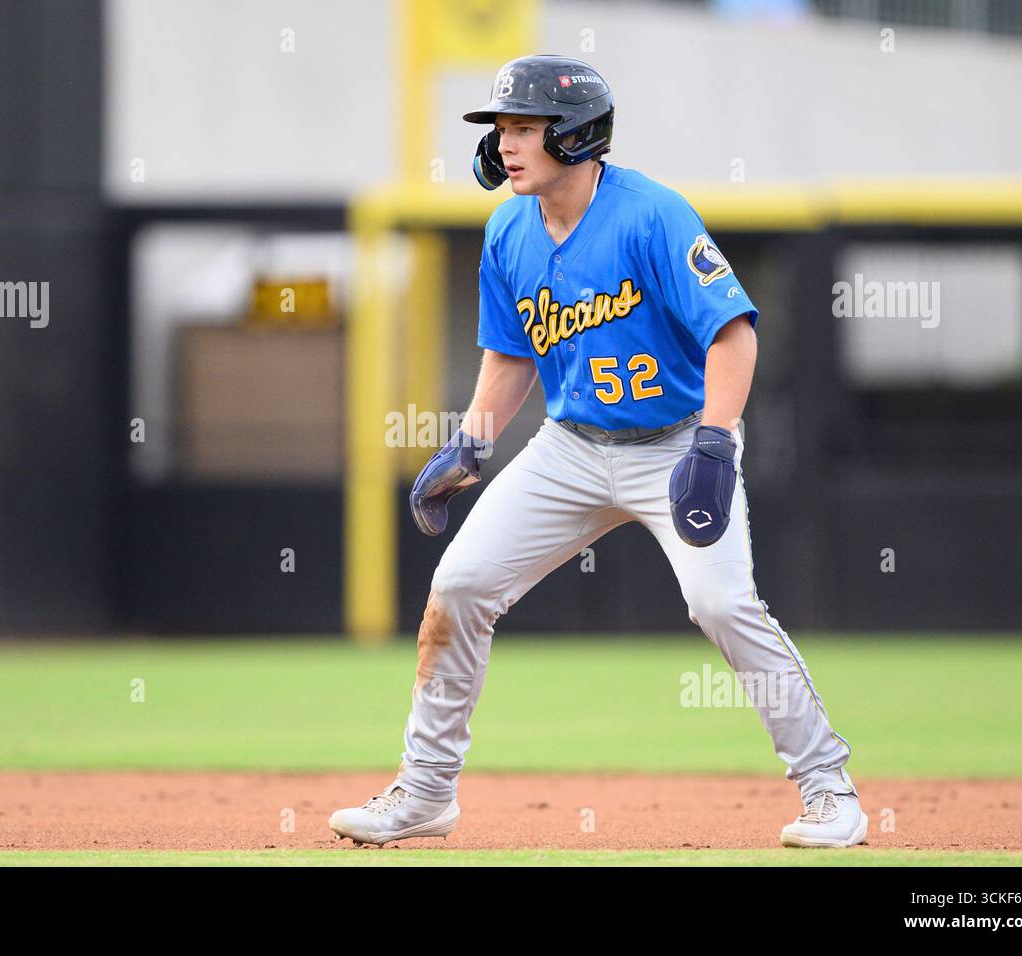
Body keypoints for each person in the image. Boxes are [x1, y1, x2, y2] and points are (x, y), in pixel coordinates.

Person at [328, 55, 866, 850]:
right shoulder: (508, 228)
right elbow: (511, 357)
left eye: (524, 127)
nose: (506, 144)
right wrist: (470, 444)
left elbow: (733, 333)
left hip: (678, 441)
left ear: (575, 136)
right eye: (501, 128)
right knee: (460, 588)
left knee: (721, 605)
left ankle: (831, 793)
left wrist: (716, 442)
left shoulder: (652, 215)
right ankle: (426, 795)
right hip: (570, 449)